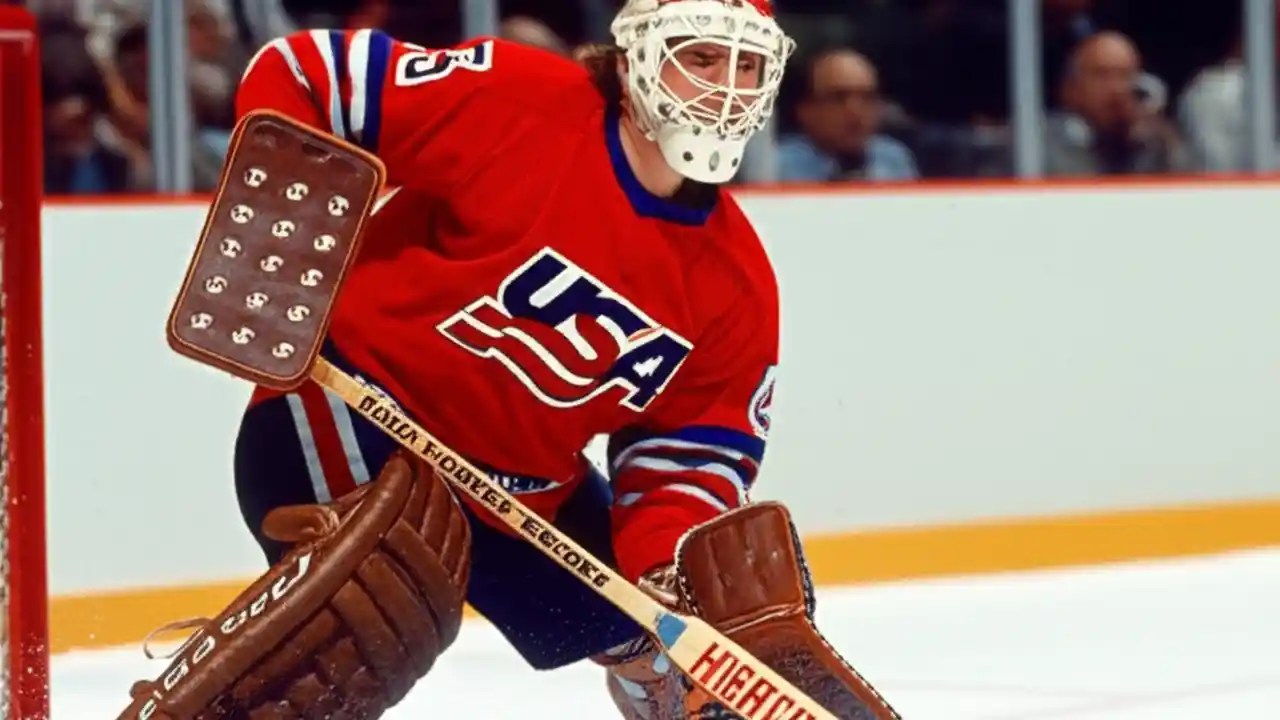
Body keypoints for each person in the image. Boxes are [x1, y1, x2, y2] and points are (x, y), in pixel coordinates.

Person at [123, 1, 896, 718]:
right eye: (700, 56)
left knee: (681, 637)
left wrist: (666, 581)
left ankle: (657, 682)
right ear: (634, 59)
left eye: (746, 66)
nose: (725, 88)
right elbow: (305, 72)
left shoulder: (739, 284)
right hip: (349, 411)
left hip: (522, 496)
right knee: (366, 610)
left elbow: (683, 460)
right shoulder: (518, 99)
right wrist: (281, 238)